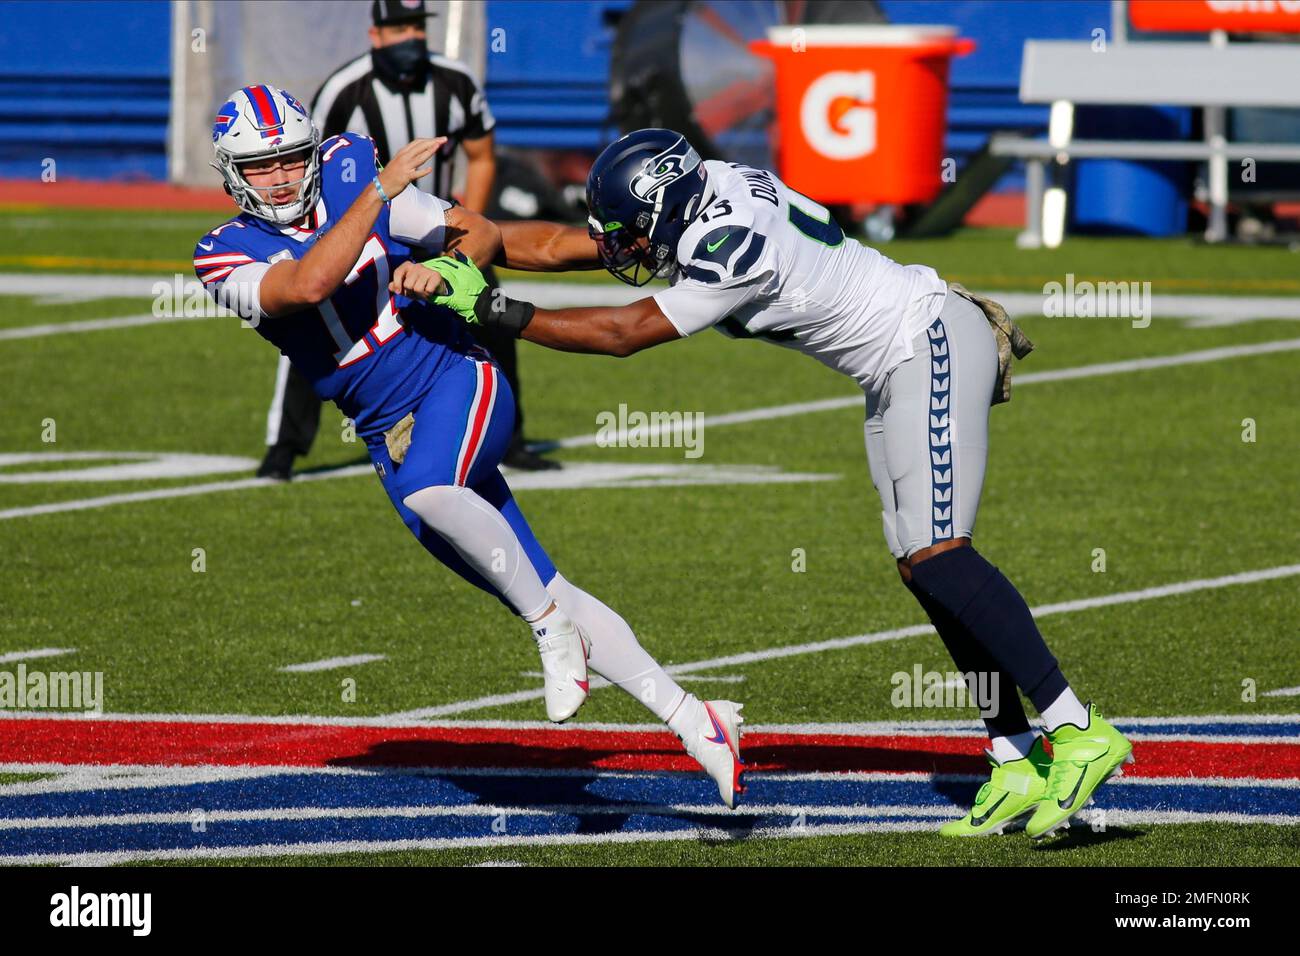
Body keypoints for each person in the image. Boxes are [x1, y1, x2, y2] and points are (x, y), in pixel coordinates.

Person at [406, 128, 1135, 840]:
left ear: (664, 210)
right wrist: (481, 237)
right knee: (923, 567)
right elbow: (571, 244)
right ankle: (1014, 750)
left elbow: (623, 333)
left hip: (927, 340)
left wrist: (494, 309)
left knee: (942, 554)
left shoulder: (727, 244)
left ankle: (1075, 725)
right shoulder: (696, 196)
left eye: (630, 233)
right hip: (894, 364)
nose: (622, 248)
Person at [197, 93, 744, 807]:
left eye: (290, 157)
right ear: (234, 175)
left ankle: (550, 636)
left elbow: (476, 232)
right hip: (381, 427)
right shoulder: (222, 253)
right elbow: (308, 282)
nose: (278, 176)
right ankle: (697, 721)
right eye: (260, 165)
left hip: (454, 373)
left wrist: (445, 267)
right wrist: (377, 194)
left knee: (442, 499)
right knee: (544, 583)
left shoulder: (349, 173)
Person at [258, 0, 558, 480]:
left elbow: (481, 156)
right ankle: (285, 448)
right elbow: (312, 171)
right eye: (399, 28)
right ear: (375, 34)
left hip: (438, 226)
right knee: (324, 327)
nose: (410, 37)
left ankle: (512, 437)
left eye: (417, 26)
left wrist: (463, 225)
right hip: (366, 232)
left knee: (489, 318)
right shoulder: (344, 91)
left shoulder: (455, 82)